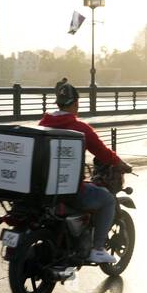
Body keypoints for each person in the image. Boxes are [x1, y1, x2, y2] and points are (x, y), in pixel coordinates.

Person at [38, 82, 132, 266]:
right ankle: (97, 250)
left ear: (59, 103)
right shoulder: (79, 127)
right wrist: (121, 164)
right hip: (69, 190)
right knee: (107, 200)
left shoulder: (43, 123)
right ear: (75, 104)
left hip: (43, 188)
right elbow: (103, 153)